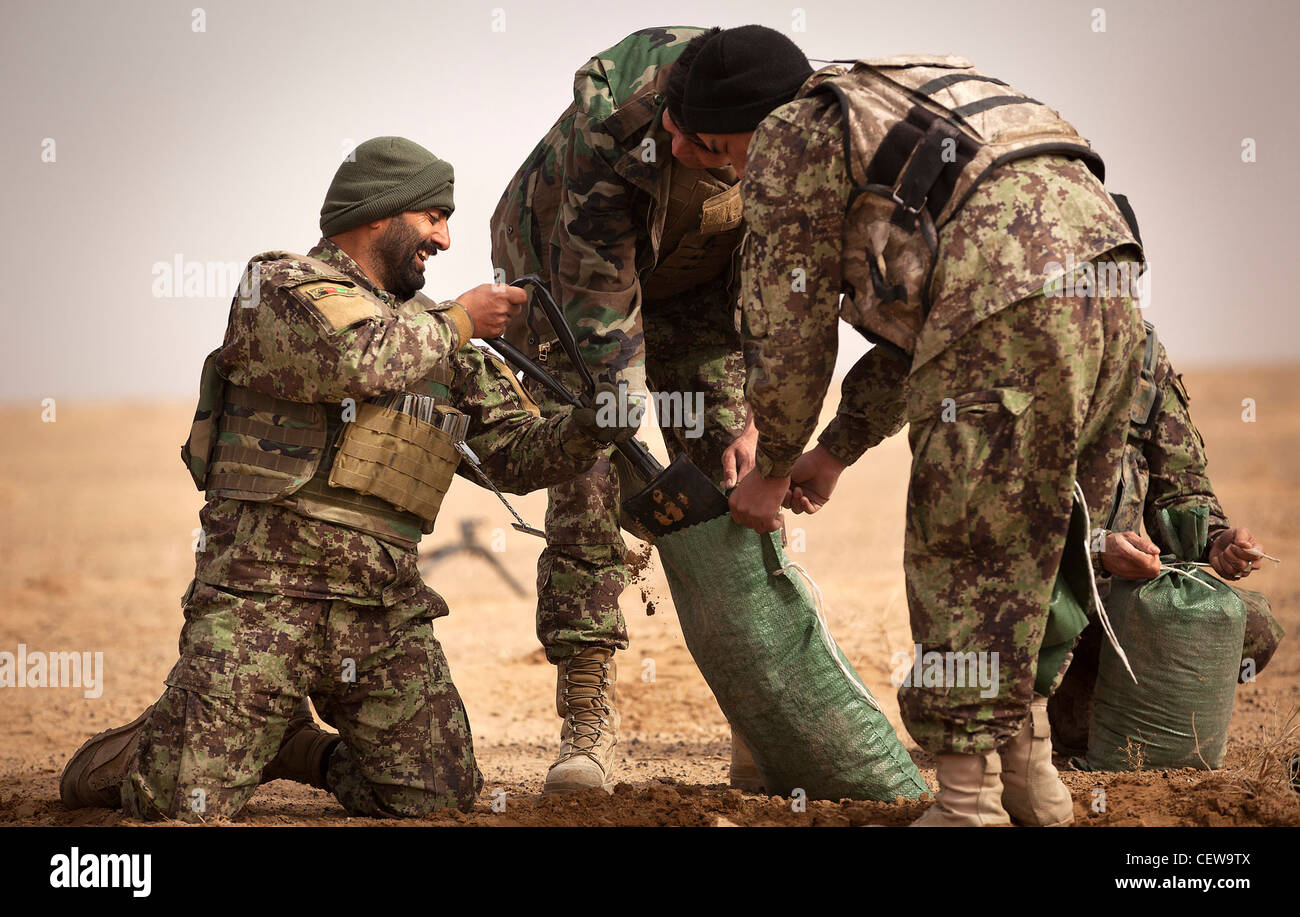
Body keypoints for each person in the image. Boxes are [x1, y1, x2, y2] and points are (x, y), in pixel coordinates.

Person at [59, 136, 631, 821]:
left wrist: (592, 424)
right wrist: (459, 320)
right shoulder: (279, 288)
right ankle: (148, 746)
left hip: (380, 614)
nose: (445, 238)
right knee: (179, 802)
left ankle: (296, 749)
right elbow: (350, 360)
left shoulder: (441, 343)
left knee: (436, 795)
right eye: (432, 216)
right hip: (260, 604)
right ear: (376, 216)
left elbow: (515, 454)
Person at [682, 26, 1146, 825]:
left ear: (728, 132)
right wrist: (833, 452)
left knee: (963, 550)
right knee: (1038, 544)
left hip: (1005, 305)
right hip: (1111, 285)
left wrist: (772, 465)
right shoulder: (898, 104)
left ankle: (968, 804)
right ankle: (1030, 775)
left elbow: (790, 332)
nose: (719, 168)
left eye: (709, 149)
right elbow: (926, 331)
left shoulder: (791, 136)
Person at [490, 26, 759, 793]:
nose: (679, 149)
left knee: (732, 471)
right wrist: (625, 424)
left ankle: (759, 705)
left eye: (706, 146)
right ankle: (587, 708)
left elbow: (784, 294)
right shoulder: (611, 135)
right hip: (563, 274)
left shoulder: (808, 141)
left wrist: (751, 413)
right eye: (675, 131)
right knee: (591, 466)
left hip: (696, 289)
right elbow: (599, 307)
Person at [1049, 320, 1283, 754]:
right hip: (1036, 597)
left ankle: (1105, 710)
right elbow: (990, 517)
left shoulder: (1143, 353)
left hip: (1111, 601)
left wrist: (1216, 540)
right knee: (1071, 721)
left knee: (1250, 627)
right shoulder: (1015, 339)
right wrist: (1097, 551)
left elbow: (1181, 488)